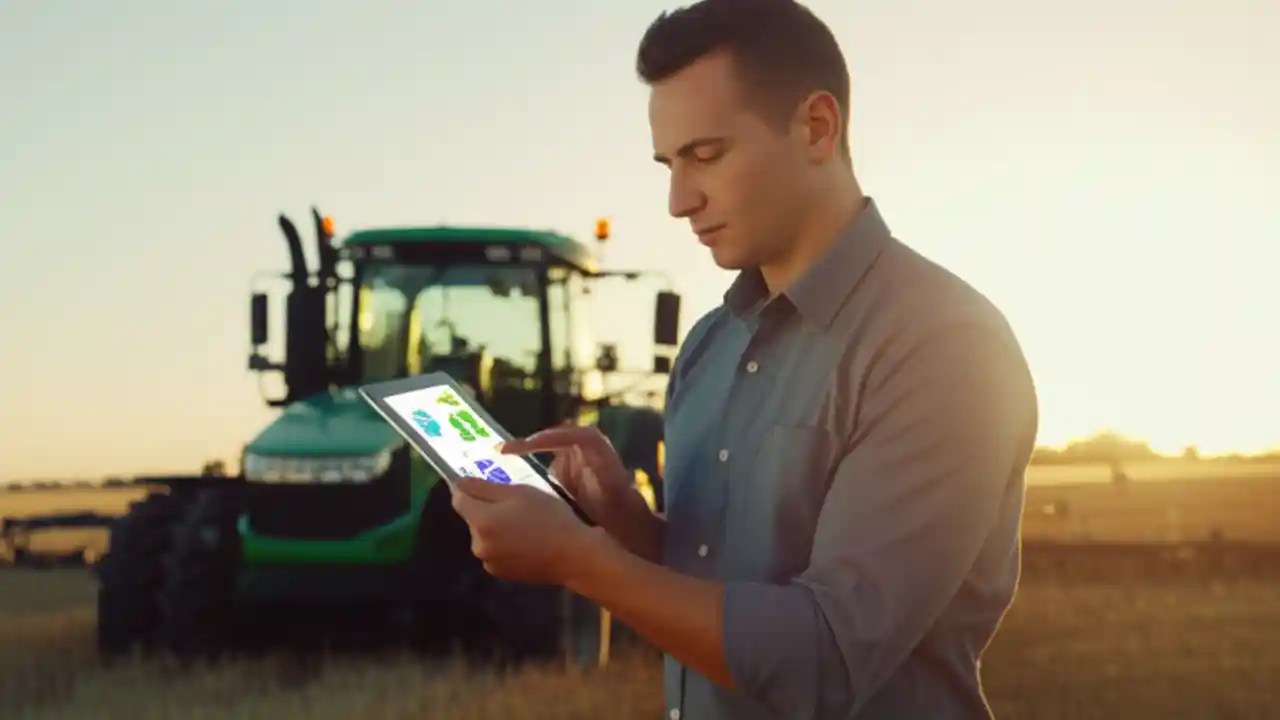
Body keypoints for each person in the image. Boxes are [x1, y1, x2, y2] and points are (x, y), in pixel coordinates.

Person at [448, 0, 1039, 717]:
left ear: (817, 127)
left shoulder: (944, 346)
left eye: (706, 155)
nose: (677, 199)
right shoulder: (707, 346)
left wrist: (579, 561)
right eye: (668, 163)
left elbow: (824, 656)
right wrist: (624, 524)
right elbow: (726, 580)